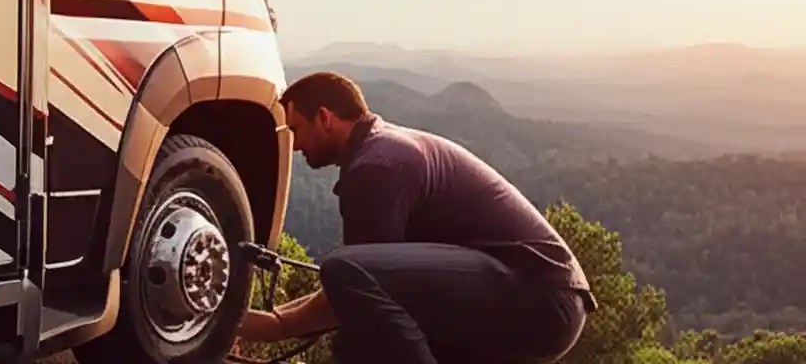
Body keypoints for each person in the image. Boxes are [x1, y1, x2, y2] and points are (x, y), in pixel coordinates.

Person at [236, 72, 596, 364]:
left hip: (539, 297)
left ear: (325, 118)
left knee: (349, 290)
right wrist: (276, 321)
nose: (296, 146)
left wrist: (275, 325)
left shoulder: (377, 167)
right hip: (538, 300)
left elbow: (354, 287)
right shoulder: (384, 149)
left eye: (296, 129)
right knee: (363, 340)